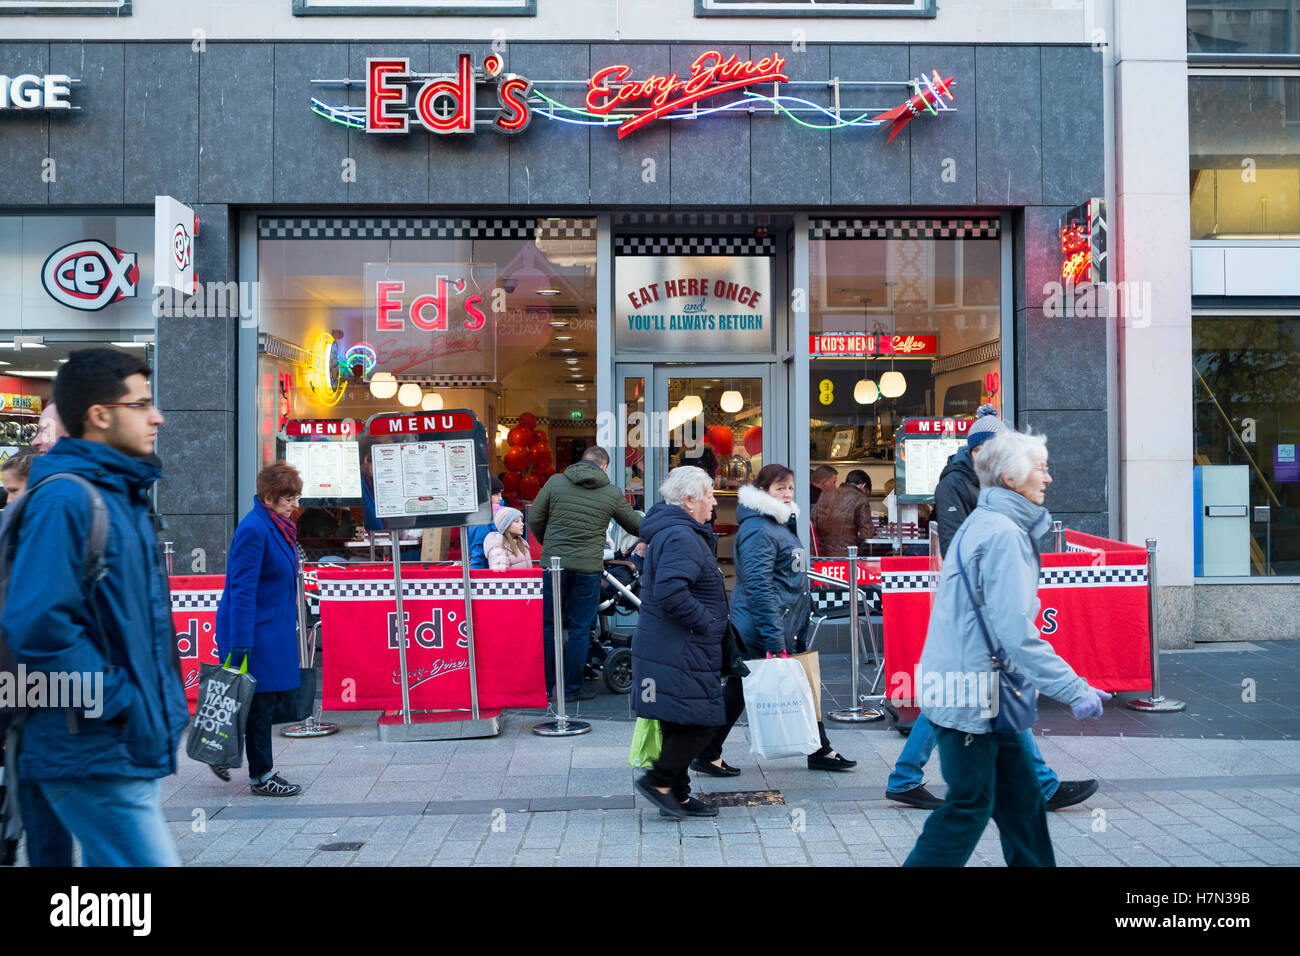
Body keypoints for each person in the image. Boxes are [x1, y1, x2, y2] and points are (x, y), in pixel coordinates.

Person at [2, 348, 188, 866]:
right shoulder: (70, 499)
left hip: (114, 746)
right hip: (91, 746)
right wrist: (116, 700)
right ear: (100, 415)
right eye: (142, 404)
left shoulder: (119, 493)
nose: (157, 416)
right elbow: (39, 622)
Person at [902, 429, 1112, 867]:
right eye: (1040, 468)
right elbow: (1016, 633)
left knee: (1022, 804)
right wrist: (1074, 689)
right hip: (975, 695)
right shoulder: (1002, 535)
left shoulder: (987, 522)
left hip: (985, 693)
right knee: (969, 805)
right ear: (1010, 478)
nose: (1048, 478)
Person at [699, 464, 856, 776]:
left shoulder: (778, 524)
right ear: (762, 492)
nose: (786, 495)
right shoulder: (759, 529)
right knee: (746, 688)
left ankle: (819, 749)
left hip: (780, 622)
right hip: (764, 627)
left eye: (790, 488)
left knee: (781, 684)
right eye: (779, 489)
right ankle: (705, 751)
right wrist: (774, 637)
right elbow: (759, 587)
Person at [631, 466, 735, 819]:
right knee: (705, 719)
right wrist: (708, 623)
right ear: (689, 501)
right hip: (681, 646)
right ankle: (659, 781)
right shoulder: (681, 536)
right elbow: (672, 591)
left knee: (681, 719)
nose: (714, 500)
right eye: (708, 494)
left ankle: (677, 794)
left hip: (674, 645)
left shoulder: (678, 531)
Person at [214, 461, 306, 797]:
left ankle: (227, 752)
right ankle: (261, 776)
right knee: (260, 705)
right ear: (268, 497)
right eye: (288, 499)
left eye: (296, 497)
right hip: (254, 632)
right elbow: (241, 590)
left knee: (260, 703)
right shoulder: (254, 529)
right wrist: (240, 644)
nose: (295, 505)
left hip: (270, 629)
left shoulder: (277, 527)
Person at [529, 446, 641, 702]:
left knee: (550, 626)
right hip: (588, 569)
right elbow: (635, 525)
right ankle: (570, 689)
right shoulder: (611, 492)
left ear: (582, 461)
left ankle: (546, 687)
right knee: (580, 629)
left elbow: (535, 517)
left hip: (555, 567)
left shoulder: (556, 482)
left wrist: (551, 544)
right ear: (604, 467)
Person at [811, 468, 874, 556]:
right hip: (846, 556)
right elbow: (867, 533)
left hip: (821, 554)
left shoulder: (825, 493)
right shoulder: (861, 498)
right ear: (863, 486)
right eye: (866, 491)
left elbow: (813, 521)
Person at [466, 475, 505, 569]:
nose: (500, 498)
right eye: (496, 494)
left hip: (496, 567)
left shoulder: (495, 514)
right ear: (485, 494)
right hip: (487, 571)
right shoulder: (481, 519)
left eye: (501, 494)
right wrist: (478, 575)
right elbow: (478, 549)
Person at [484, 506, 532, 571]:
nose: (522, 524)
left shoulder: (521, 543)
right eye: (517, 521)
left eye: (521, 521)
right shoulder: (498, 548)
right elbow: (500, 576)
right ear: (506, 525)